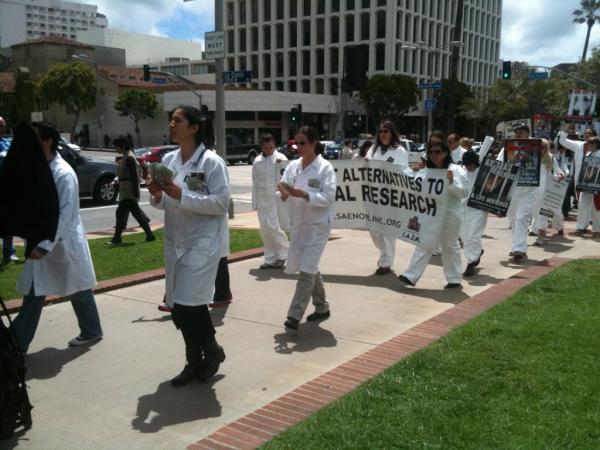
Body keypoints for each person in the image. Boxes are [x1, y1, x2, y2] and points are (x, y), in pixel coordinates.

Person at [148, 105, 229, 386]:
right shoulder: (169, 160)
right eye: (170, 121)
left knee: (187, 306)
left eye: (178, 121)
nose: (172, 125)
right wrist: (157, 194)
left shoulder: (211, 162)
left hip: (202, 242)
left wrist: (182, 194)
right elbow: (160, 203)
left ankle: (210, 352)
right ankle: (197, 359)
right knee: (179, 307)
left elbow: (221, 203)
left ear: (194, 127)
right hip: (176, 242)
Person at [11, 122, 103, 353]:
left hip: (61, 243)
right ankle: (17, 343)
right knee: (35, 292)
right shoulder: (37, 168)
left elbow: (65, 214)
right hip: (43, 241)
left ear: (47, 141)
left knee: (78, 288)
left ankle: (91, 330)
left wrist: (43, 246)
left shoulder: (63, 174)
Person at [278, 126, 336, 331]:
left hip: (318, 226)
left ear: (313, 143)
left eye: (302, 143)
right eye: (295, 143)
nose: (298, 147)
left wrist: (304, 195)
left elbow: (328, 198)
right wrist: (284, 193)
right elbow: (284, 188)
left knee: (306, 271)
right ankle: (322, 307)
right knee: (310, 267)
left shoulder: (324, 168)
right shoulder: (293, 166)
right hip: (300, 224)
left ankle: (294, 315)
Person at [398, 139, 469, 288]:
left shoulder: (456, 170)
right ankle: (411, 276)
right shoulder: (427, 172)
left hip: (450, 215)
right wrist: (413, 172)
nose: (434, 155)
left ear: (445, 153)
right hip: (430, 214)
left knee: (450, 245)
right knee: (424, 242)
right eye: (431, 152)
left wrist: (451, 182)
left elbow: (463, 192)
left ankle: (454, 279)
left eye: (438, 152)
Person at [365, 120, 408, 275]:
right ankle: (384, 253)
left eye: (386, 131)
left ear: (392, 133)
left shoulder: (399, 151)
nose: (383, 134)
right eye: (381, 132)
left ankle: (386, 263)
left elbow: (403, 172)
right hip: (373, 195)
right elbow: (366, 166)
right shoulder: (373, 149)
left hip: (390, 196)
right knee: (374, 229)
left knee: (388, 230)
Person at [497, 124, 536, 261]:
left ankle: (518, 249)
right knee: (514, 219)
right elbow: (498, 164)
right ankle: (518, 248)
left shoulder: (536, 146)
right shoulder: (508, 148)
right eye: (516, 133)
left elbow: (545, 156)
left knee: (521, 218)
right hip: (512, 189)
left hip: (529, 189)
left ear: (527, 133)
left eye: (521, 132)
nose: (518, 135)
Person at [107, 136, 155, 245]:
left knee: (122, 213)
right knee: (133, 213)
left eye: (117, 146)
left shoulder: (129, 158)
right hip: (126, 190)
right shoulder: (126, 157)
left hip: (129, 192)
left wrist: (135, 193)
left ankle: (117, 238)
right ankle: (149, 233)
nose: (116, 149)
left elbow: (134, 177)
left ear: (123, 146)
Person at [252, 133, 289, 269]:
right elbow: (255, 182)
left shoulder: (280, 158)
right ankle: (270, 257)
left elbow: (288, 179)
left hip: (276, 199)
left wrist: (285, 194)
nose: (269, 150)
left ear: (275, 146)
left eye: (271, 147)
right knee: (265, 229)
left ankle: (284, 254)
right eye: (266, 148)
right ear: (261, 147)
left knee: (274, 227)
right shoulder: (257, 161)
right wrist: (254, 201)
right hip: (262, 200)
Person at [559, 128, 597, 235]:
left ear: (594, 135)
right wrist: (566, 129)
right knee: (582, 203)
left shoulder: (597, 149)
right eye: (585, 133)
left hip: (594, 181)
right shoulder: (578, 145)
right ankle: (582, 227)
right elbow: (562, 141)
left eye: (590, 133)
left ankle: (585, 227)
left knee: (590, 205)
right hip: (580, 180)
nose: (587, 135)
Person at [530, 140, 566, 245]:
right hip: (533, 190)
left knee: (553, 211)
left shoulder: (550, 158)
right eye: (540, 147)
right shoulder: (531, 157)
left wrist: (558, 177)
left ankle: (548, 231)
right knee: (535, 211)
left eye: (544, 147)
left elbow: (559, 172)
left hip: (547, 190)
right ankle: (536, 229)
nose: (541, 149)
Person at [460, 149, 488, 277]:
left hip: (479, 208)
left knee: (474, 236)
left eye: (470, 165)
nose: (468, 167)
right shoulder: (461, 172)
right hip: (463, 209)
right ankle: (477, 252)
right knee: (465, 236)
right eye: (466, 165)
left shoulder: (484, 172)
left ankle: (471, 262)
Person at [0, 116, 20, 264]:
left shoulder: (7, 144)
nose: (2, 129)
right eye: (0, 126)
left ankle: (9, 253)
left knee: (9, 224)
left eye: (3, 126)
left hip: (8, 191)